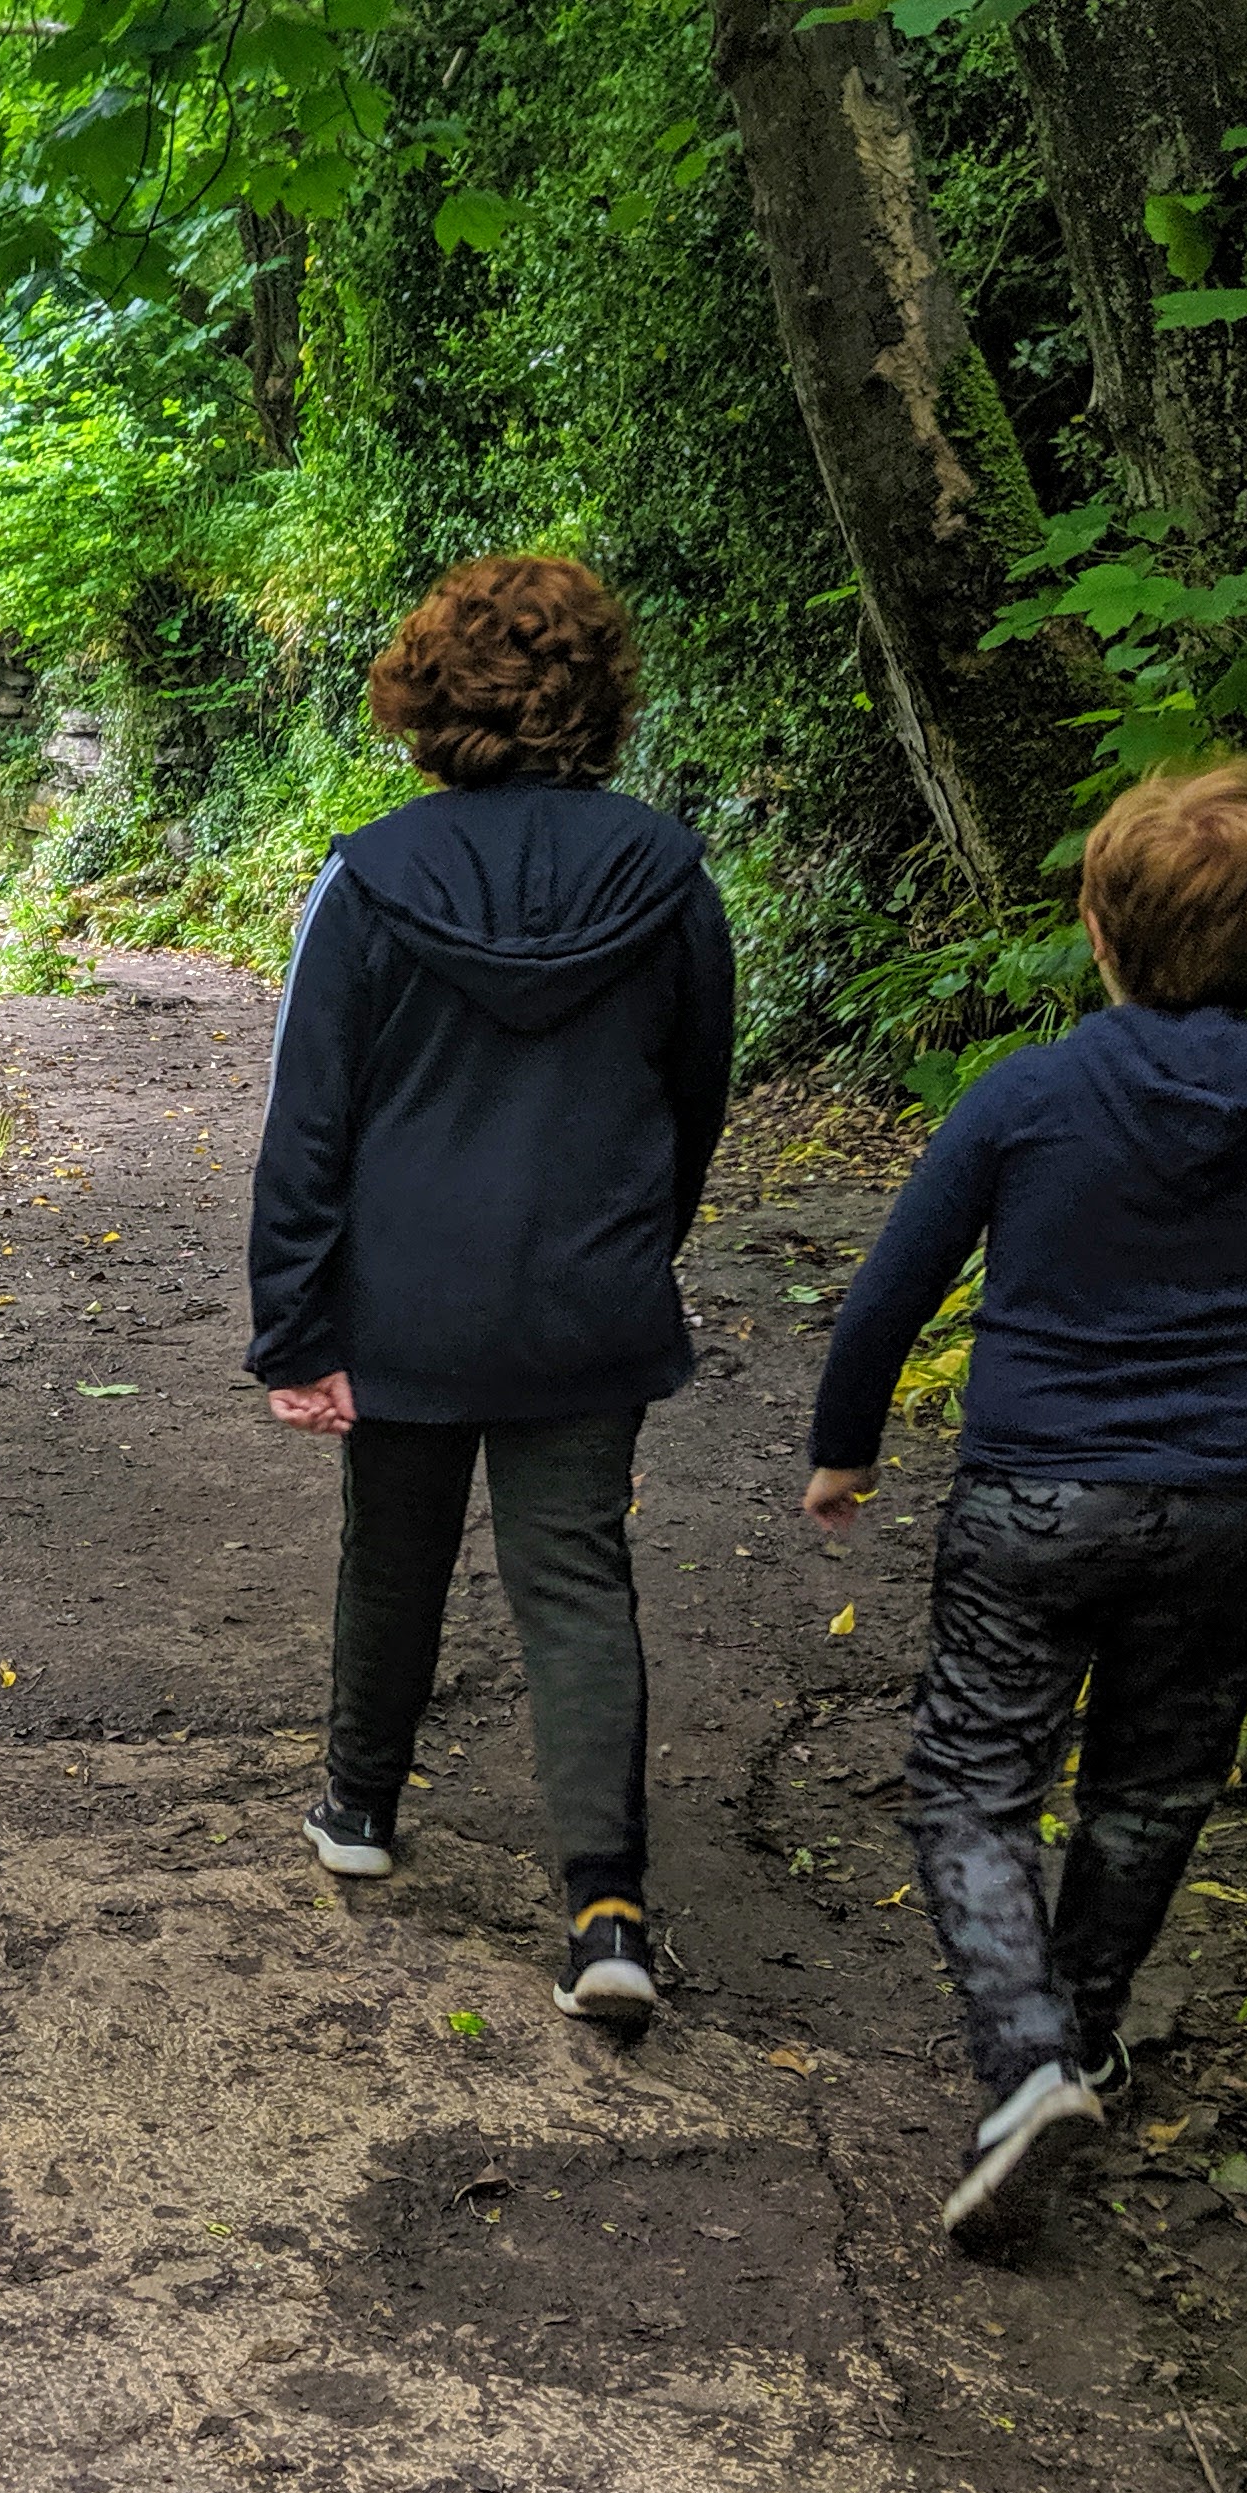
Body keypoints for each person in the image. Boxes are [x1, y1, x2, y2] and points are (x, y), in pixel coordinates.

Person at [798, 758, 1247, 2254]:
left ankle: (1028, 2059)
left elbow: (893, 1285)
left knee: (970, 1778)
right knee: (1147, 1792)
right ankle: (1081, 2039)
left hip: (1033, 1499)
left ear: (1095, 923)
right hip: (1221, 1509)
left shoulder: (1030, 1092)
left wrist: (845, 1446)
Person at [247, 554, 735, 2036]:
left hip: (402, 1300)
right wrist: (635, 1247)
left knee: (390, 1552)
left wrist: (295, 1323)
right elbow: (693, 1097)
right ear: (598, 696)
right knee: (576, 1579)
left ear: (426, 696)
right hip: (589, 1293)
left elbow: (305, 1122)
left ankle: (356, 1805)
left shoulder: (369, 877)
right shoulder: (669, 878)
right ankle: (605, 1910)